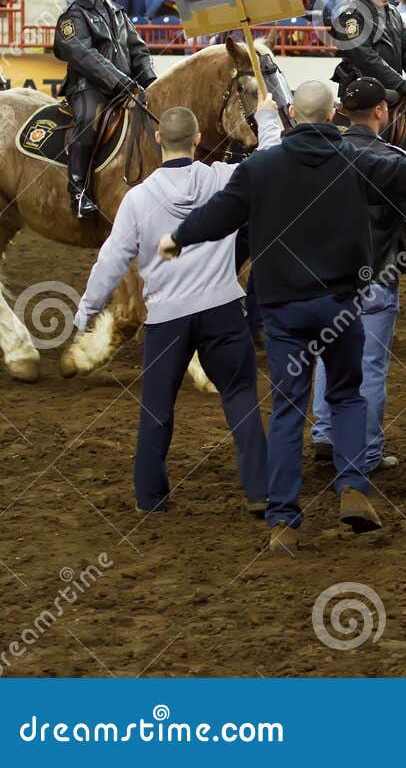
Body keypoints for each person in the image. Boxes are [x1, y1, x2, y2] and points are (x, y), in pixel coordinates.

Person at [161, 82, 406, 554]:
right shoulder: (356, 160)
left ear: (295, 118)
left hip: (282, 308)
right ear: (333, 116)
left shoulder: (261, 166)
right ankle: (354, 487)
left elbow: (221, 214)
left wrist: (179, 235)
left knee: (287, 409)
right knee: (347, 395)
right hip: (341, 304)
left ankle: (284, 517)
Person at [74, 96, 281, 514]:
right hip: (222, 307)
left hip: (167, 316)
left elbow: (112, 258)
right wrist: (267, 115)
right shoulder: (224, 178)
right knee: (240, 397)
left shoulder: (136, 199)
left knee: (157, 407)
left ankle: (150, 497)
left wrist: (86, 309)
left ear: (156, 139)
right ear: (199, 139)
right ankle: (260, 491)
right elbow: (271, 158)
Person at [304, 77, 406, 474]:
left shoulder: (321, 155)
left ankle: (324, 433)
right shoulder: (394, 159)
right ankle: (366, 452)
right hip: (375, 277)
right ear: (379, 112)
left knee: (326, 354)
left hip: (326, 277)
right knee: (369, 366)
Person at [52, 0, 156, 217]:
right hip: (89, 89)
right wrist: (119, 80)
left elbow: (138, 49)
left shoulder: (118, 12)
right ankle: (78, 191)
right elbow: (82, 55)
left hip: (125, 87)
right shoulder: (72, 17)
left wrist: (150, 80)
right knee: (88, 121)